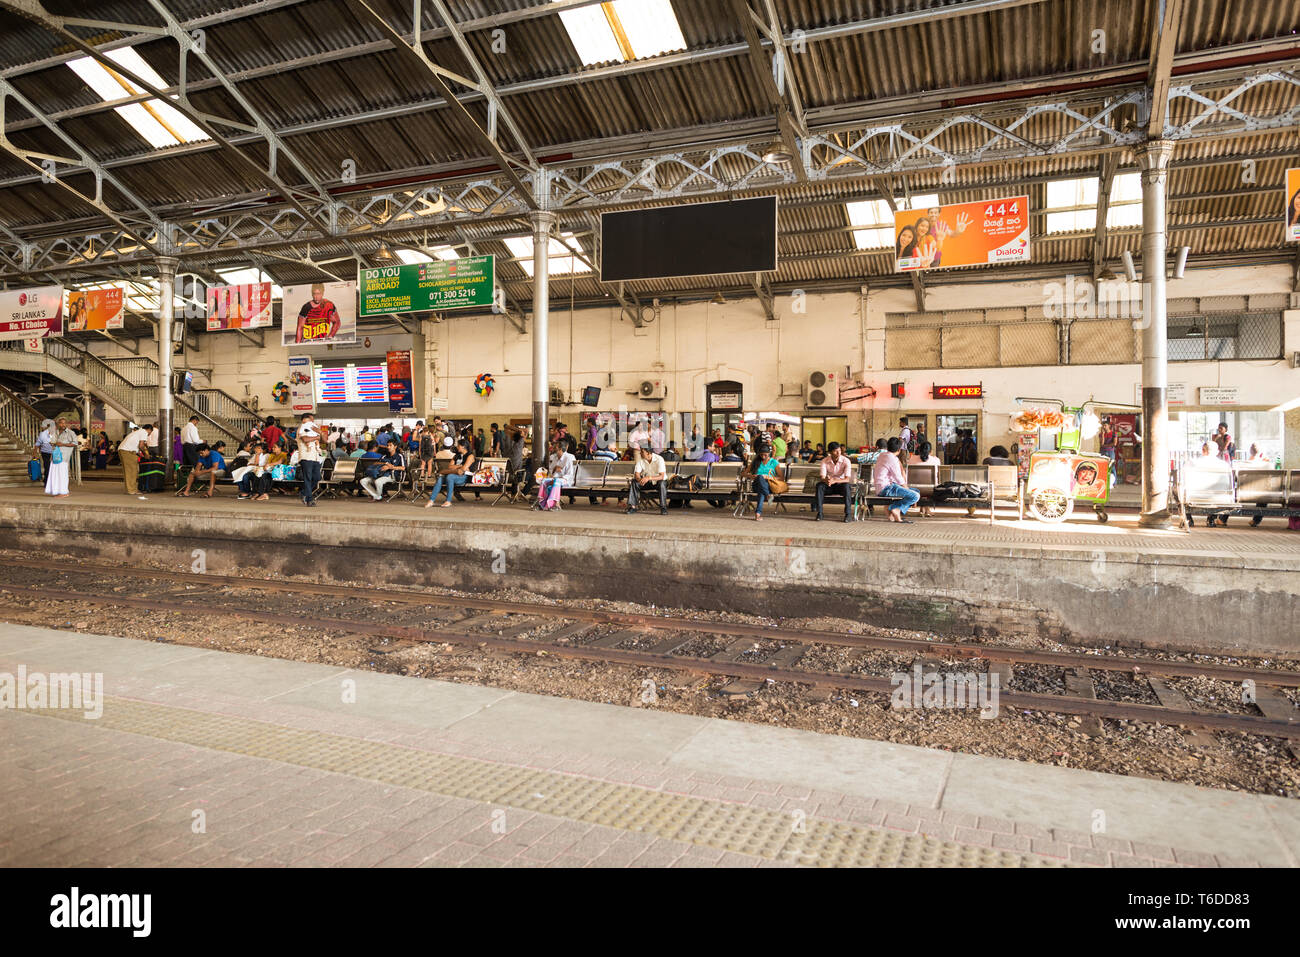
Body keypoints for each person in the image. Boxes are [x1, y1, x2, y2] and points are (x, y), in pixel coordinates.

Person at [874, 437, 921, 523]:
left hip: (881, 487)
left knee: (916, 491)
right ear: (899, 450)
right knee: (915, 496)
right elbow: (899, 479)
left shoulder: (882, 455)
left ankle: (893, 510)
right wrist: (906, 488)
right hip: (886, 489)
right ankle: (896, 508)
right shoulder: (892, 459)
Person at [426, 438, 474, 508]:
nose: (457, 447)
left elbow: (463, 469)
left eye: (458, 445)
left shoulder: (470, 456)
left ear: (463, 446)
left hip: (465, 477)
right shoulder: (456, 456)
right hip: (455, 475)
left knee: (450, 476)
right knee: (440, 478)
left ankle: (448, 501)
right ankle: (431, 500)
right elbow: (450, 467)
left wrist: (458, 468)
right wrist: (459, 467)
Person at [815, 442, 854, 522]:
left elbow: (847, 479)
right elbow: (822, 477)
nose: (839, 452)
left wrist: (835, 480)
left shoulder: (846, 461)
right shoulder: (824, 461)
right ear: (830, 452)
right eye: (836, 451)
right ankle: (820, 513)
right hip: (829, 485)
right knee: (819, 486)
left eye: (839, 450)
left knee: (847, 487)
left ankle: (848, 514)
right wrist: (827, 480)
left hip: (840, 485)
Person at [538, 437, 577, 511]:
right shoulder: (554, 457)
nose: (553, 448)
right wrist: (554, 470)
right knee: (544, 481)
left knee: (556, 482)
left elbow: (570, 474)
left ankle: (557, 504)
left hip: (567, 480)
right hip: (555, 478)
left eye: (555, 447)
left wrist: (560, 472)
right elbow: (551, 471)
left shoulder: (569, 457)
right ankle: (542, 503)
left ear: (560, 449)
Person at [42, 416, 77, 497]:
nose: (63, 424)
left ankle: (64, 492)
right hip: (54, 456)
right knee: (55, 475)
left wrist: (63, 444)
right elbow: (50, 441)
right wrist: (53, 443)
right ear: (58, 424)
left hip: (64, 457)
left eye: (64, 423)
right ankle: (57, 491)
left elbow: (75, 443)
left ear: (67, 424)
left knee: (63, 475)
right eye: (61, 423)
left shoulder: (71, 433)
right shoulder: (55, 432)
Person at [627, 445, 668, 514]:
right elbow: (637, 474)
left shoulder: (659, 459)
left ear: (648, 453)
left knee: (662, 483)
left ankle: (663, 507)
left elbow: (661, 476)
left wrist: (649, 478)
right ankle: (632, 507)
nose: (640, 453)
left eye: (642, 452)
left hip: (658, 481)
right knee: (634, 482)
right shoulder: (640, 461)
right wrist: (639, 479)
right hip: (647, 482)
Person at [296, 413, 325, 506]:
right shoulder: (303, 427)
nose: (312, 421)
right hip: (306, 456)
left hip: (315, 457)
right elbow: (305, 439)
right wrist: (317, 437)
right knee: (307, 478)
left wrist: (320, 432)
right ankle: (309, 499)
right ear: (305, 419)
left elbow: (324, 440)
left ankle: (304, 492)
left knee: (317, 477)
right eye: (311, 419)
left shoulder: (313, 428)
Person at [116, 423, 152, 498]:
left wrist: (140, 454)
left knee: (129, 471)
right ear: (149, 429)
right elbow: (141, 446)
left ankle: (130, 489)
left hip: (123, 450)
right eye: (150, 432)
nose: (149, 434)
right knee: (132, 471)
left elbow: (136, 447)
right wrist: (146, 454)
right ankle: (132, 490)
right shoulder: (144, 432)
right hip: (127, 451)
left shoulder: (137, 432)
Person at [750, 447, 779, 521]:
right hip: (756, 484)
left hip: (769, 485)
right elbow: (743, 473)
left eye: (765, 455)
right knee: (759, 477)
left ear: (769, 453)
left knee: (761, 492)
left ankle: (758, 514)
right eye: (761, 454)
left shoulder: (774, 462)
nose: (763, 456)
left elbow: (781, 478)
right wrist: (751, 476)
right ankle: (768, 495)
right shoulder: (756, 462)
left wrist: (768, 477)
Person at [33, 418, 55, 483]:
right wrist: (34, 453)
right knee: (47, 466)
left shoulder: (56, 433)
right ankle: (47, 481)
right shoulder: (42, 434)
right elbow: (37, 443)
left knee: (53, 467)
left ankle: (49, 480)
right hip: (45, 452)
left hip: (55, 452)